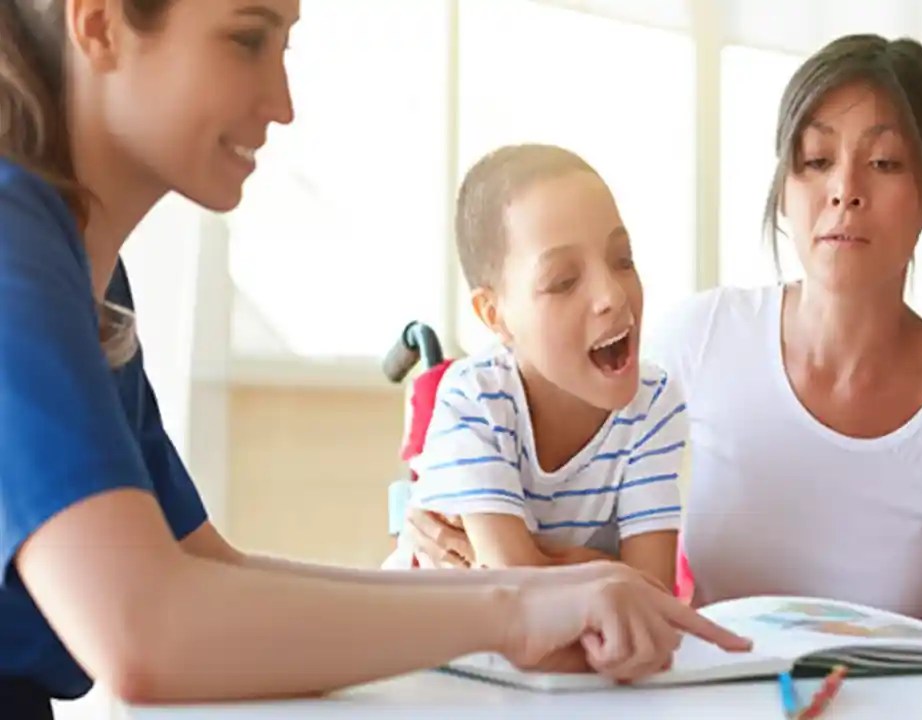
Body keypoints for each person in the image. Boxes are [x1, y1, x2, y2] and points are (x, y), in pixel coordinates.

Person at [0, 0, 748, 714]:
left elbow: (200, 566)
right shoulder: (12, 249)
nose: (283, 100)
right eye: (248, 39)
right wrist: (513, 606)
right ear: (98, 24)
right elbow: (146, 630)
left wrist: (510, 597)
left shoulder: (90, 279)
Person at [406, 34, 922, 626]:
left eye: (885, 162)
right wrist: (425, 513)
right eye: (814, 160)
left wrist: (547, 566)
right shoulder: (699, 339)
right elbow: (544, 398)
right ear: (784, 189)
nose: (845, 191)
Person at [383, 145, 685, 592]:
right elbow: (515, 590)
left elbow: (655, 591)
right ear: (494, 315)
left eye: (622, 260)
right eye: (564, 281)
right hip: (433, 637)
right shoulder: (476, 399)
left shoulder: (653, 401)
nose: (613, 296)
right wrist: (609, 571)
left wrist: (541, 563)